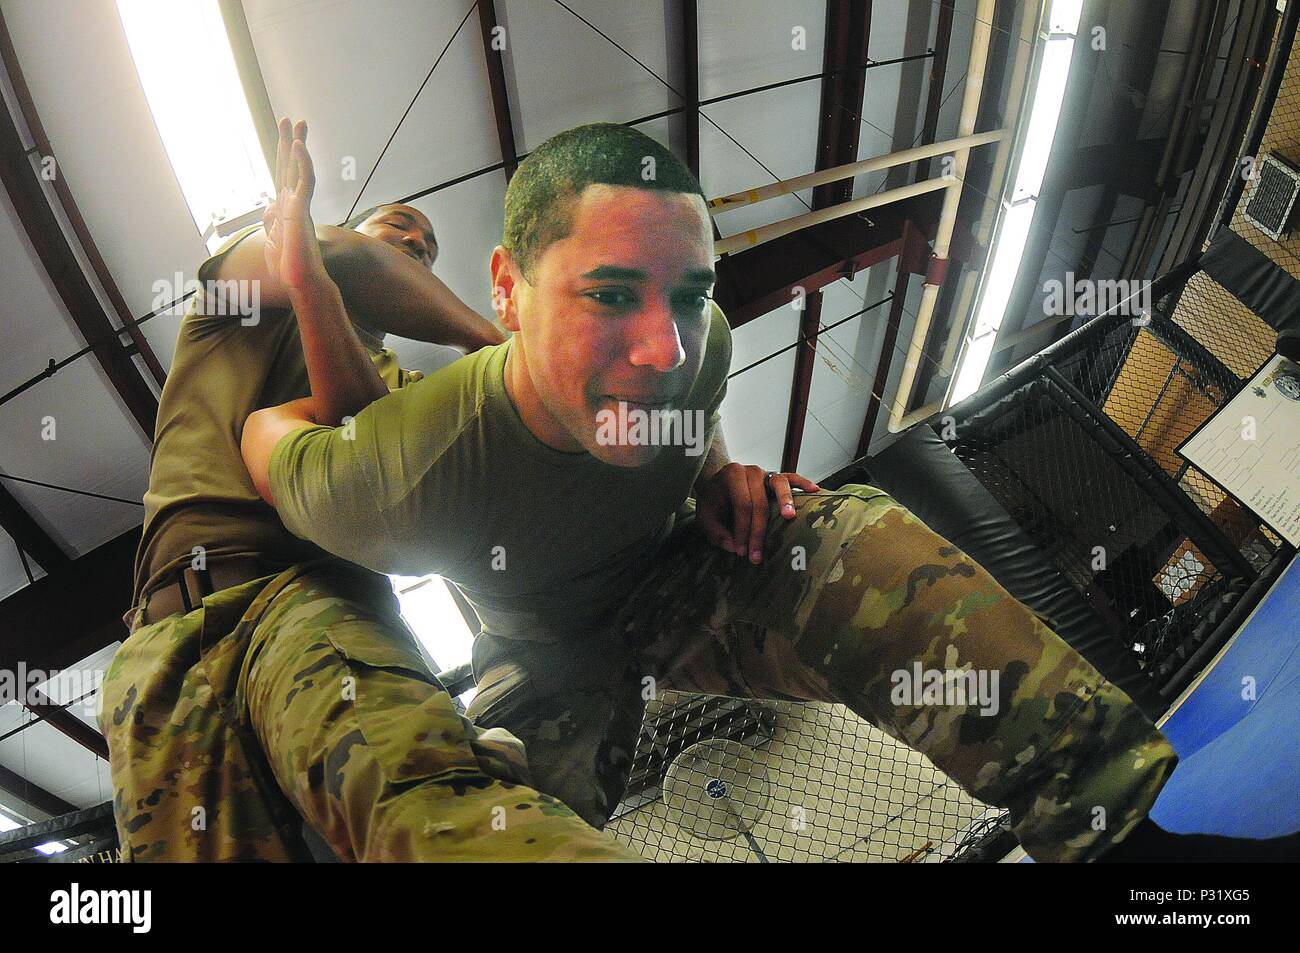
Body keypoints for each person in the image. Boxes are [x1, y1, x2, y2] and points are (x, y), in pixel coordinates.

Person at [242, 121, 1300, 863]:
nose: (661, 347)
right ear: (507, 286)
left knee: (842, 538)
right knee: (479, 822)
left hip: (675, 573)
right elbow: (282, 432)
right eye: (608, 295)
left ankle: (1126, 843)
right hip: (548, 643)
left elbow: (683, 412)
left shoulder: (688, 343)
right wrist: (302, 267)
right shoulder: (402, 475)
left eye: (685, 297)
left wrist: (716, 474)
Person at [101, 119, 635, 861]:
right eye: (398, 233)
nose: (411, 249)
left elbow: (363, 438)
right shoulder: (245, 293)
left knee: (433, 821)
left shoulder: (412, 395)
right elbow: (336, 258)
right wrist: (496, 342)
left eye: (423, 250)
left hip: (312, 600)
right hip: (160, 644)